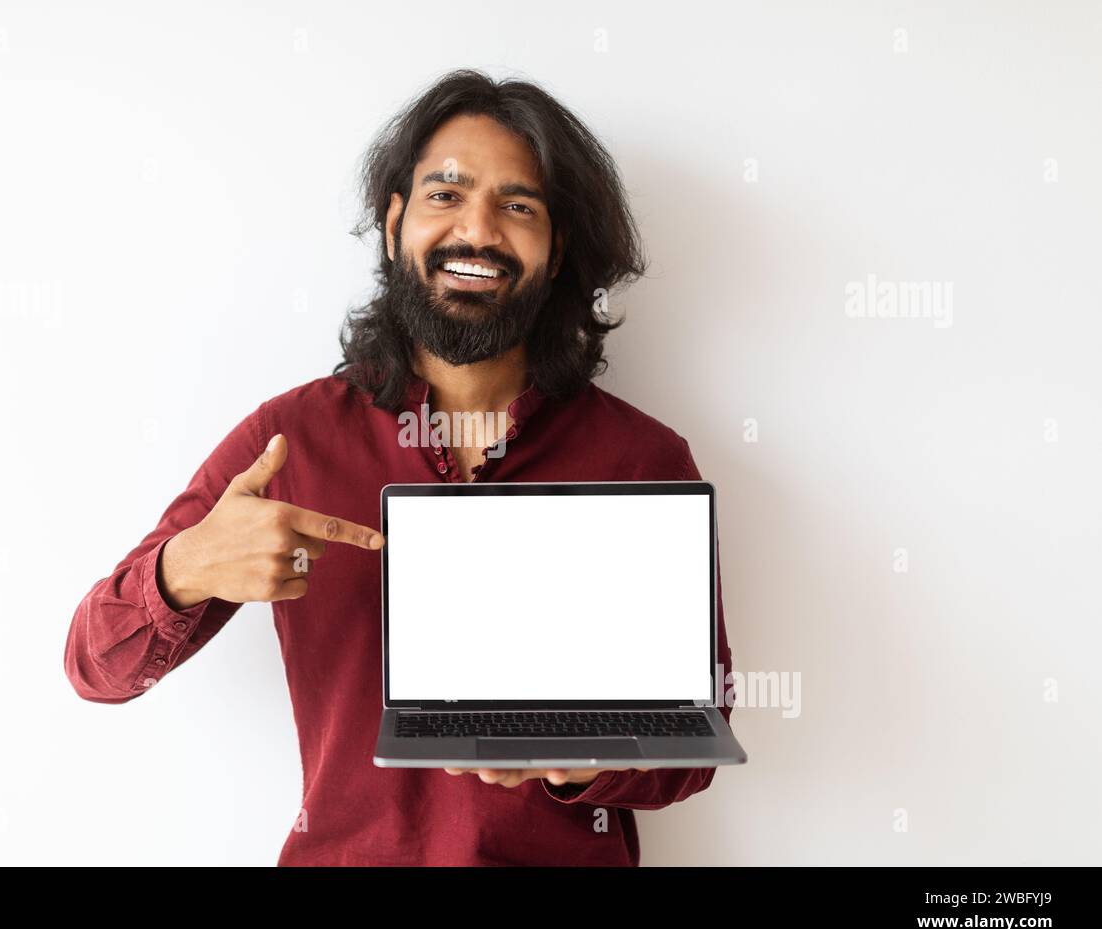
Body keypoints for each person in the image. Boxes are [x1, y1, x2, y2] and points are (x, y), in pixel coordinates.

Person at [64, 68, 734, 866]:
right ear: (394, 224)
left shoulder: (640, 460)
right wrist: (185, 568)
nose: (478, 231)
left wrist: (584, 759)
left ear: (557, 254)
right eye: (445, 195)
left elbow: (696, 742)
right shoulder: (288, 441)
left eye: (519, 206)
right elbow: (94, 669)